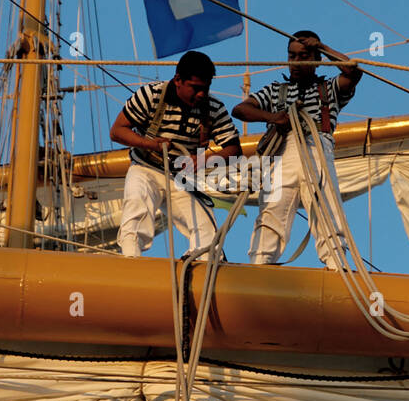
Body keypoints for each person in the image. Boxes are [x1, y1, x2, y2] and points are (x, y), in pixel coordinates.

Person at [233, 30, 362, 269]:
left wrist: (324, 46)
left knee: (325, 205)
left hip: (316, 146)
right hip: (281, 152)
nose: (295, 62)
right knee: (272, 209)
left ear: (317, 59)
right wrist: (273, 117)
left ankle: (337, 264)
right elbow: (240, 109)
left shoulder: (329, 89)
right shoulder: (275, 90)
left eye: (304, 56)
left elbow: (353, 72)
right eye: (291, 56)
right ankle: (260, 264)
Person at [110, 50, 241, 258]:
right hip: (146, 169)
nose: (201, 95)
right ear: (178, 79)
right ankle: (131, 264)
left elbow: (234, 149)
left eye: (205, 89)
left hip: (181, 177)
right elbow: (117, 131)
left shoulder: (213, 108)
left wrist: (203, 160)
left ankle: (202, 268)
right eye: (196, 88)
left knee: (206, 229)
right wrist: (149, 144)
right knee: (136, 212)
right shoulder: (150, 95)